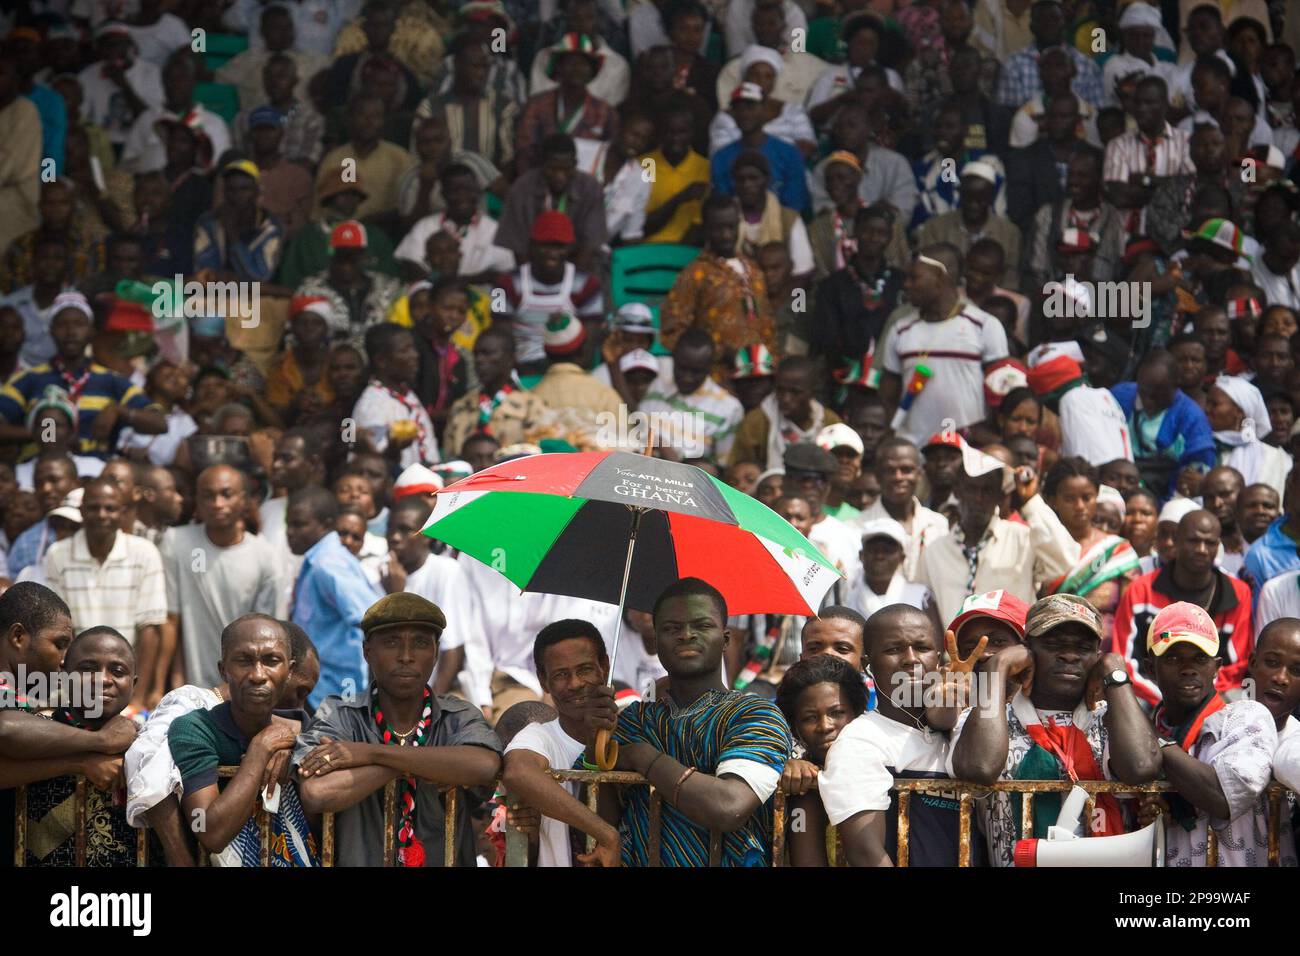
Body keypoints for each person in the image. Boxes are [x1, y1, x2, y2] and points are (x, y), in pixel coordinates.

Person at [582, 577, 791, 866]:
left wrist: (644, 757)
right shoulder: (633, 721)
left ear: (726, 639)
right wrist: (596, 742)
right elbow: (597, 822)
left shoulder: (755, 714)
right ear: (655, 641)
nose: (686, 635)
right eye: (671, 628)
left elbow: (729, 806)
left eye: (702, 625)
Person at [949, 594, 1160, 867]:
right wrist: (997, 666)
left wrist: (1114, 671)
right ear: (1026, 650)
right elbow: (979, 768)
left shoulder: (1111, 718)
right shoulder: (983, 718)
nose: (1069, 655)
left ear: (1096, 656)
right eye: (1053, 645)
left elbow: (1142, 766)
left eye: (1083, 648)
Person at [294, 592, 503, 866]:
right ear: (367, 651)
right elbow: (317, 793)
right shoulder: (340, 715)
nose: (406, 656)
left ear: (436, 652)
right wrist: (425, 762)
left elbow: (485, 765)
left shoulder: (458, 715)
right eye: (392, 642)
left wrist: (372, 755)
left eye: (420, 643)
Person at [818, 604, 971, 866]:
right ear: (868, 664)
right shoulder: (860, 741)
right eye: (893, 649)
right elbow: (867, 854)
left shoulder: (961, 729)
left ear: (938, 656)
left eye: (922, 648)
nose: (911, 659)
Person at [1143, 603, 1291, 867]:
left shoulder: (1247, 716)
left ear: (1216, 666)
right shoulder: (1143, 728)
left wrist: (1154, 739)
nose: (1188, 668)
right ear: (1150, 668)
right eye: (1173, 658)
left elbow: (1223, 798)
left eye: (1200, 658)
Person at [168, 614, 316, 866]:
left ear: (289, 671)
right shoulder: (193, 728)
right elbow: (210, 832)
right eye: (244, 661)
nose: (258, 675)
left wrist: (291, 745)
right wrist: (261, 749)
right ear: (223, 670)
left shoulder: (302, 731)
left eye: (271, 661)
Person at [500, 618, 622, 867]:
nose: (575, 684)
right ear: (543, 681)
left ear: (605, 667)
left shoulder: (635, 728)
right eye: (561, 675)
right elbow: (517, 771)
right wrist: (607, 835)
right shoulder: (540, 737)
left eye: (585, 669)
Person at [919, 439, 1077, 623]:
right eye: (972, 488)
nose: (978, 498)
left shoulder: (1023, 540)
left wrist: (1031, 502)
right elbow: (925, 604)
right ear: (958, 491)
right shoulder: (935, 550)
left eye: (987, 490)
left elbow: (1065, 560)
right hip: (954, 650)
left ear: (1000, 496)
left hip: (1014, 649)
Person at [43, 478, 166, 714]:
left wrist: (136, 700)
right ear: (81, 511)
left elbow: (150, 630)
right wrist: (74, 693)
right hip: (78, 680)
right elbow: (60, 631)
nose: (101, 514)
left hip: (123, 681)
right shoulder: (58, 554)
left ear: (123, 512)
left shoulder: (144, 553)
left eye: (110, 508)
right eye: (93, 507)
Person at [160, 465, 282, 696]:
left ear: (244, 500)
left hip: (244, 691)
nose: (217, 503)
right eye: (208, 495)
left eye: (226, 494)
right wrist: (177, 685)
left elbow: (269, 636)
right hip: (189, 689)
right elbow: (171, 619)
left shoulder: (265, 556)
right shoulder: (177, 542)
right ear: (197, 500)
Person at [0, 291, 165, 459]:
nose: (71, 331)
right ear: (51, 331)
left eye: (79, 324)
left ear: (92, 331)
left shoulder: (112, 380)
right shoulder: (30, 379)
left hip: (96, 475)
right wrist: (46, 434)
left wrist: (118, 411)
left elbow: (160, 423)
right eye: (62, 324)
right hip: (41, 473)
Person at [1113, 510, 1254, 706]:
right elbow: (1126, 661)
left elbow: (1235, 665)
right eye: (1193, 541)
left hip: (1212, 696)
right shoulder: (1141, 590)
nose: (1202, 549)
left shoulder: (1238, 593)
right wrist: (1167, 700)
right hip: (1151, 695)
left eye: (1210, 543)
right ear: (1176, 541)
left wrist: (1198, 700)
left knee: (1245, 702)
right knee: (1125, 702)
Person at [879, 245, 1008, 444]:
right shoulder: (900, 329)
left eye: (914, 278)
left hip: (967, 450)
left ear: (940, 277)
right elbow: (888, 397)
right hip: (914, 450)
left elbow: (1001, 394)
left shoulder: (984, 326)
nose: (906, 284)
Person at [286, 486, 382, 709]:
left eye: (299, 524)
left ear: (326, 523)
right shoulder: (320, 559)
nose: (290, 532)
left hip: (335, 691)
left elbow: (371, 616)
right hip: (321, 690)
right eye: (288, 524)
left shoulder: (327, 563)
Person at [659, 194, 776, 372]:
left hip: (758, 374)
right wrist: (717, 352)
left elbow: (767, 323)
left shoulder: (754, 269)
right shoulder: (696, 274)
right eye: (718, 228)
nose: (726, 235)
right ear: (705, 229)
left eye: (731, 227)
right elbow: (671, 332)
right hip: (717, 376)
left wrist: (772, 360)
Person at [774, 654, 870, 866]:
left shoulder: (881, 763)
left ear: (857, 713)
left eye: (836, 713)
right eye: (810, 717)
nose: (825, 726)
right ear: (794, 727)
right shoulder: (801, 783)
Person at [382, 496, 480, 695]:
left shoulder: (446, 571)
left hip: (439, 689)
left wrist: (431, 705)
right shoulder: (381, 572)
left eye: (404, 529)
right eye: (390, 529)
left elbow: (453, 648)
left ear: (427, 535)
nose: (394, 537)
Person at [1039, 457, 1140, 635]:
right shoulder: (1041, 546)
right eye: (1069, 499)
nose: (1080, 506)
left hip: (1105, 652)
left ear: (1096, 496)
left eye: (1087, 498)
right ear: (1053, 500)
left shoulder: (1118, 551)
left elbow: (1130, 618)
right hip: (1051, 646)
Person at [495, 210, 604, 374]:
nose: (552, 253)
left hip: (568, 368)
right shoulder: (501, 285)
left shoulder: (590, 285)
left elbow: (587, 347)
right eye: (545, 245)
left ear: (569, 248)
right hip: (521, 368)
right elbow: (499, 335)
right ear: (531, 245)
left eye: (559, 246)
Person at [1111, 350, 1217, 500]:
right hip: (1116, 484)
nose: (1148, 401)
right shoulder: (1120, 396)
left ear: (1176, 386)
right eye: (1144, 393)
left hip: (1165, 494)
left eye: (1157, 395)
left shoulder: (1192, 420)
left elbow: (1194, 477)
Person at [496, 134, 608, 273]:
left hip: (579, 264)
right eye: (553, 169)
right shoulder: (522, 188)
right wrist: (532, 280)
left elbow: (590, 245)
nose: (559, 176)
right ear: (542, 164)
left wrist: (567, 282)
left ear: (575, 164)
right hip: (532, 265)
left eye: (566, 169)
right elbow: (518, 246)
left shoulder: (590, 188)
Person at [442, 325, 551, 458]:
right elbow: (450, 459)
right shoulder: (461, 407)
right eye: (476, 354)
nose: (479, 360)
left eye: (488, 353)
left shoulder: (532, 406)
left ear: (510, 358)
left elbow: (539, 457)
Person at [638, 330, 744, 463]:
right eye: (681, 369)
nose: (687, 378)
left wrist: (671, 456)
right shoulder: (657, 377)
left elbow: (721, 466)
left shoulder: (728, 409)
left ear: (709, 368)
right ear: (673, 359)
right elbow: (634, 419)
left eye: (696, 372)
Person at [858, 437, 949, 582]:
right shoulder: (857, 527)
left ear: (919, 474)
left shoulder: (939, 524)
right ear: (878, 476)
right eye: (890, 470)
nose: (898, 477)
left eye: (906, 470)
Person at [352, 323, 440, 470]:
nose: (415, 355)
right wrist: (394, 448)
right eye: (404, 351)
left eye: (412, 348)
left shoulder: (407, 395)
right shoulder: (372, 405)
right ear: (381, 361)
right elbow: (378, 464)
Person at [730, 357, 842, 471]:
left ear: (812, 391)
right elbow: (738, 470)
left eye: (795, 392)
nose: (786, 399)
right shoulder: (756, 421)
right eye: (780, 390)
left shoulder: (830, 423)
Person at [1027, 355, 1132, 466]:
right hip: (1124, 474)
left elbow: (1082, 464)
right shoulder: (1105, 394)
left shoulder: (1072, 399)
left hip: (1102, 477)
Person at [1205, 374, 1292, 498]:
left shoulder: (1274, 458)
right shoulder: (1199, 445)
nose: (1207, 409)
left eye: (1214, 404)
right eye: (1207, 403)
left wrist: (1203, 486)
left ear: (1239, 412)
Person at [845, 518, 939, 623]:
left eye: (887, 550)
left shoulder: (921, 596)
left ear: (902, 558)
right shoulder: (846, 598)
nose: (879, 556)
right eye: (873, 550)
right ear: (861, 555)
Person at [1200, 466, 1249, 575]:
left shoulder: (1264, 540)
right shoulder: (1199, 548)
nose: (1217, 503)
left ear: (1243, 493)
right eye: (1209, 497)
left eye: (1225, 495)